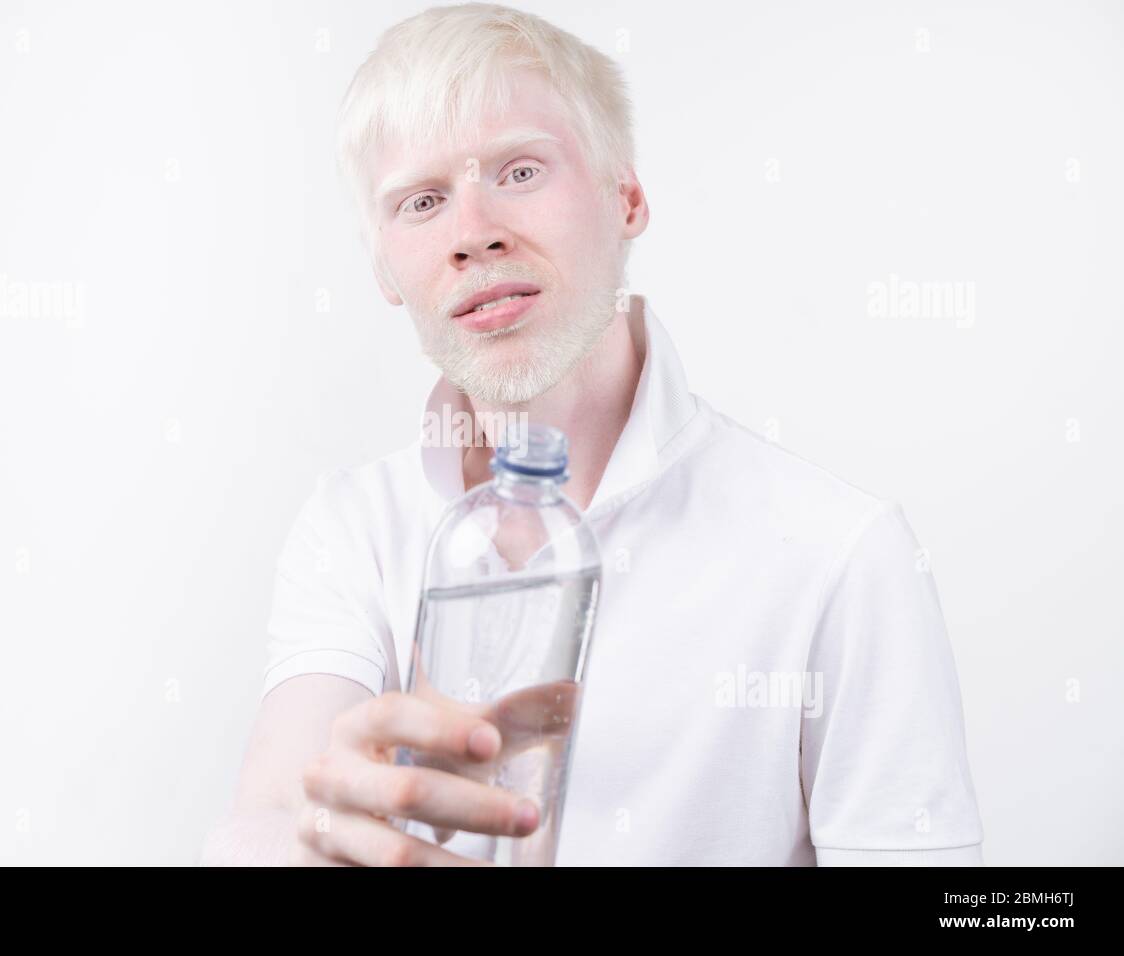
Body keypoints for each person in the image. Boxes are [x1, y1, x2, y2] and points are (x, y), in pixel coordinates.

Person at [201, 2, 984, 866]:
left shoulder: (841, 552)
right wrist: (310, 841)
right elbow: (265, 816)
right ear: (385, 268)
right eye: (422, 201)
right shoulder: (353, 527)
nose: (473, 233)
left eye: (521, 171)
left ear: (627, 198)